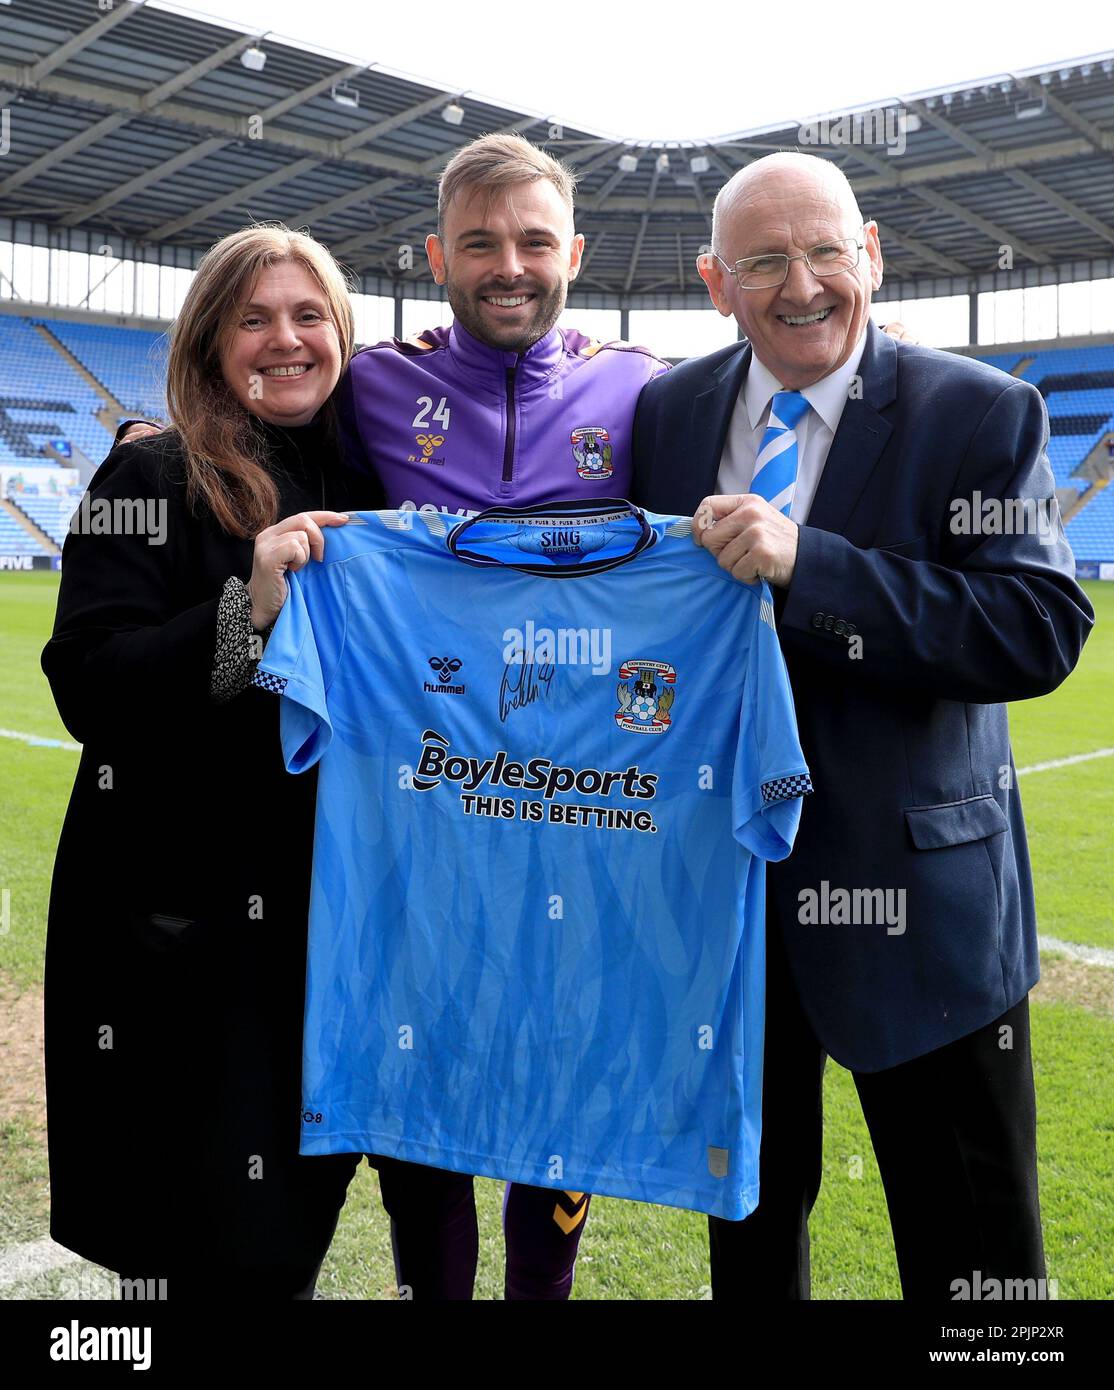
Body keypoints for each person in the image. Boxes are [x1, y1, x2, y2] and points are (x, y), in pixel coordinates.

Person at [119, 134, 669, 1301]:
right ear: (436, 257)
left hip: (575, 812)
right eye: (479, 243)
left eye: (533, 241)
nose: (508, 264)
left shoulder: (648, 389)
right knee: (422, 1130)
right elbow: (110, 662)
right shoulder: (375, 390)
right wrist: (161, 467)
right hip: (408, 821)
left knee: (551, 1103)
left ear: (574, 251)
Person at [630, 151, 1094, 1299]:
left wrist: (812, 568)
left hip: (923, 913)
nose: (802, 285)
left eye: (825, 250)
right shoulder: (667, 413)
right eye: (764, 261)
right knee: (746, 1230)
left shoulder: (981, 412)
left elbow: (1038, 625)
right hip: (729, 910)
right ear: (714, 283)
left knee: (974, 1260)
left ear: (870, 255)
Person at [41, 225, 376, 1299]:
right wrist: (248, 613)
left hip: (327, 924)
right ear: (210, 341)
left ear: (341, 331)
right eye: (254, 317)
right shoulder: (150, 468)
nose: (285, 339)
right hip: (185, 939)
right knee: (199, 1240)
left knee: (285, 1229)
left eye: (308, 314)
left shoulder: (368, 477)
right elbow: (90, 681)